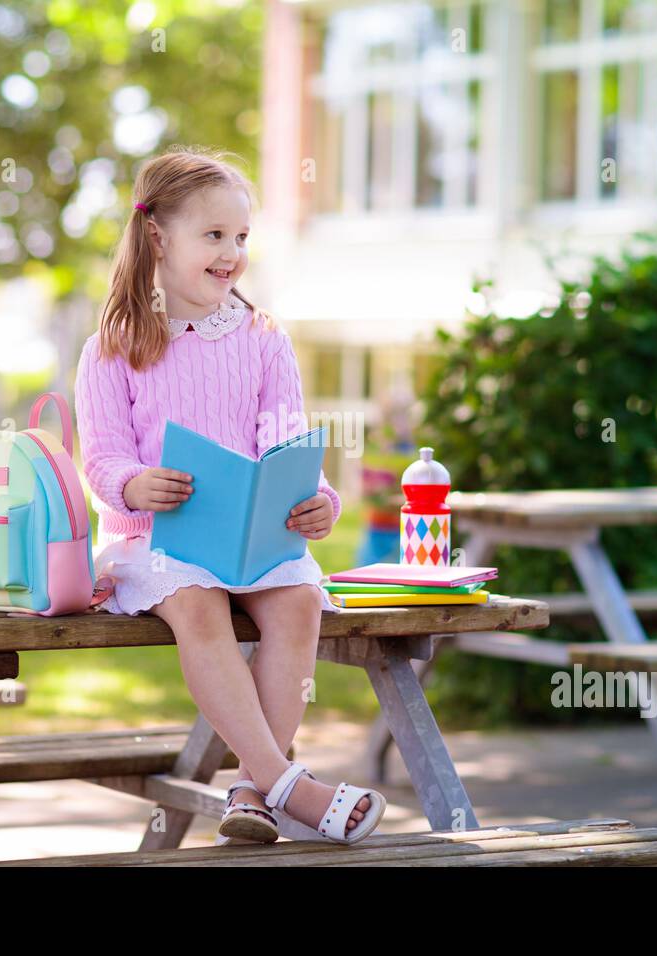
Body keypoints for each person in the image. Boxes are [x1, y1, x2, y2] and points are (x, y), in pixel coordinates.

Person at [73, 146, 385, 846]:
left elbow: (288, 442)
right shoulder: (112, 347)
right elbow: (100, 457)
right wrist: (132, 483)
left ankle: (252, 786)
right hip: (154, 541)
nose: (232, 253)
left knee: (301, 600)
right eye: (214, 236)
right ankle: (290, 786)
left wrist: (319, 499)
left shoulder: (264, 340)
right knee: (200, 608)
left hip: (252, 536)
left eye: (241, 237)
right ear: (159, 237)